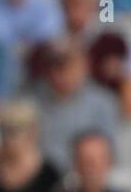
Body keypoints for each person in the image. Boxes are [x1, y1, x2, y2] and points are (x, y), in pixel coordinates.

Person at [33, 38, 119, 171]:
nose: (61, 72)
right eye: (55, 65)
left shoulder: (103, 103)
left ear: (84, 65)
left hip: (83, 176)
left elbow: (109, 154)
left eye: (68, 65)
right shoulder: (31, 101)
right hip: (42, 176)